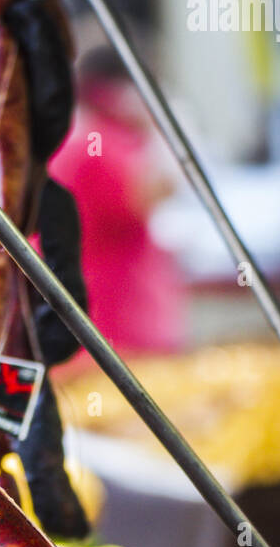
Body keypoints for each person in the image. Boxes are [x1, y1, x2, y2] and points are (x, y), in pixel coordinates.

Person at [48, 48, 187, 361]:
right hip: (117, 343)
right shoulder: (96, 145)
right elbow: (160, 186)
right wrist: (157, 123)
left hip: (108, 340)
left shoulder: (84, 140)